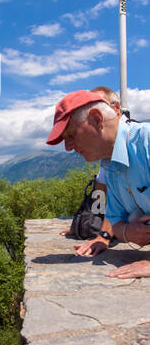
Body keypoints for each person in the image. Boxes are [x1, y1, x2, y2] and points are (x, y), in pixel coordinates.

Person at [49, 89, 150, 278]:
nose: (68, 147)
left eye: (71, 134)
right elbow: (115, 221)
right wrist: (128, 232)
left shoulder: (146, 142)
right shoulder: (110, 166)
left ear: (96, 119)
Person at [68, 87, 122, 256]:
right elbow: (102, 193)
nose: (69, 147)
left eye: (101, 104)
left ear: (116, 109)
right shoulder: (108, 154)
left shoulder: (140, 143)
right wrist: (87, 221)